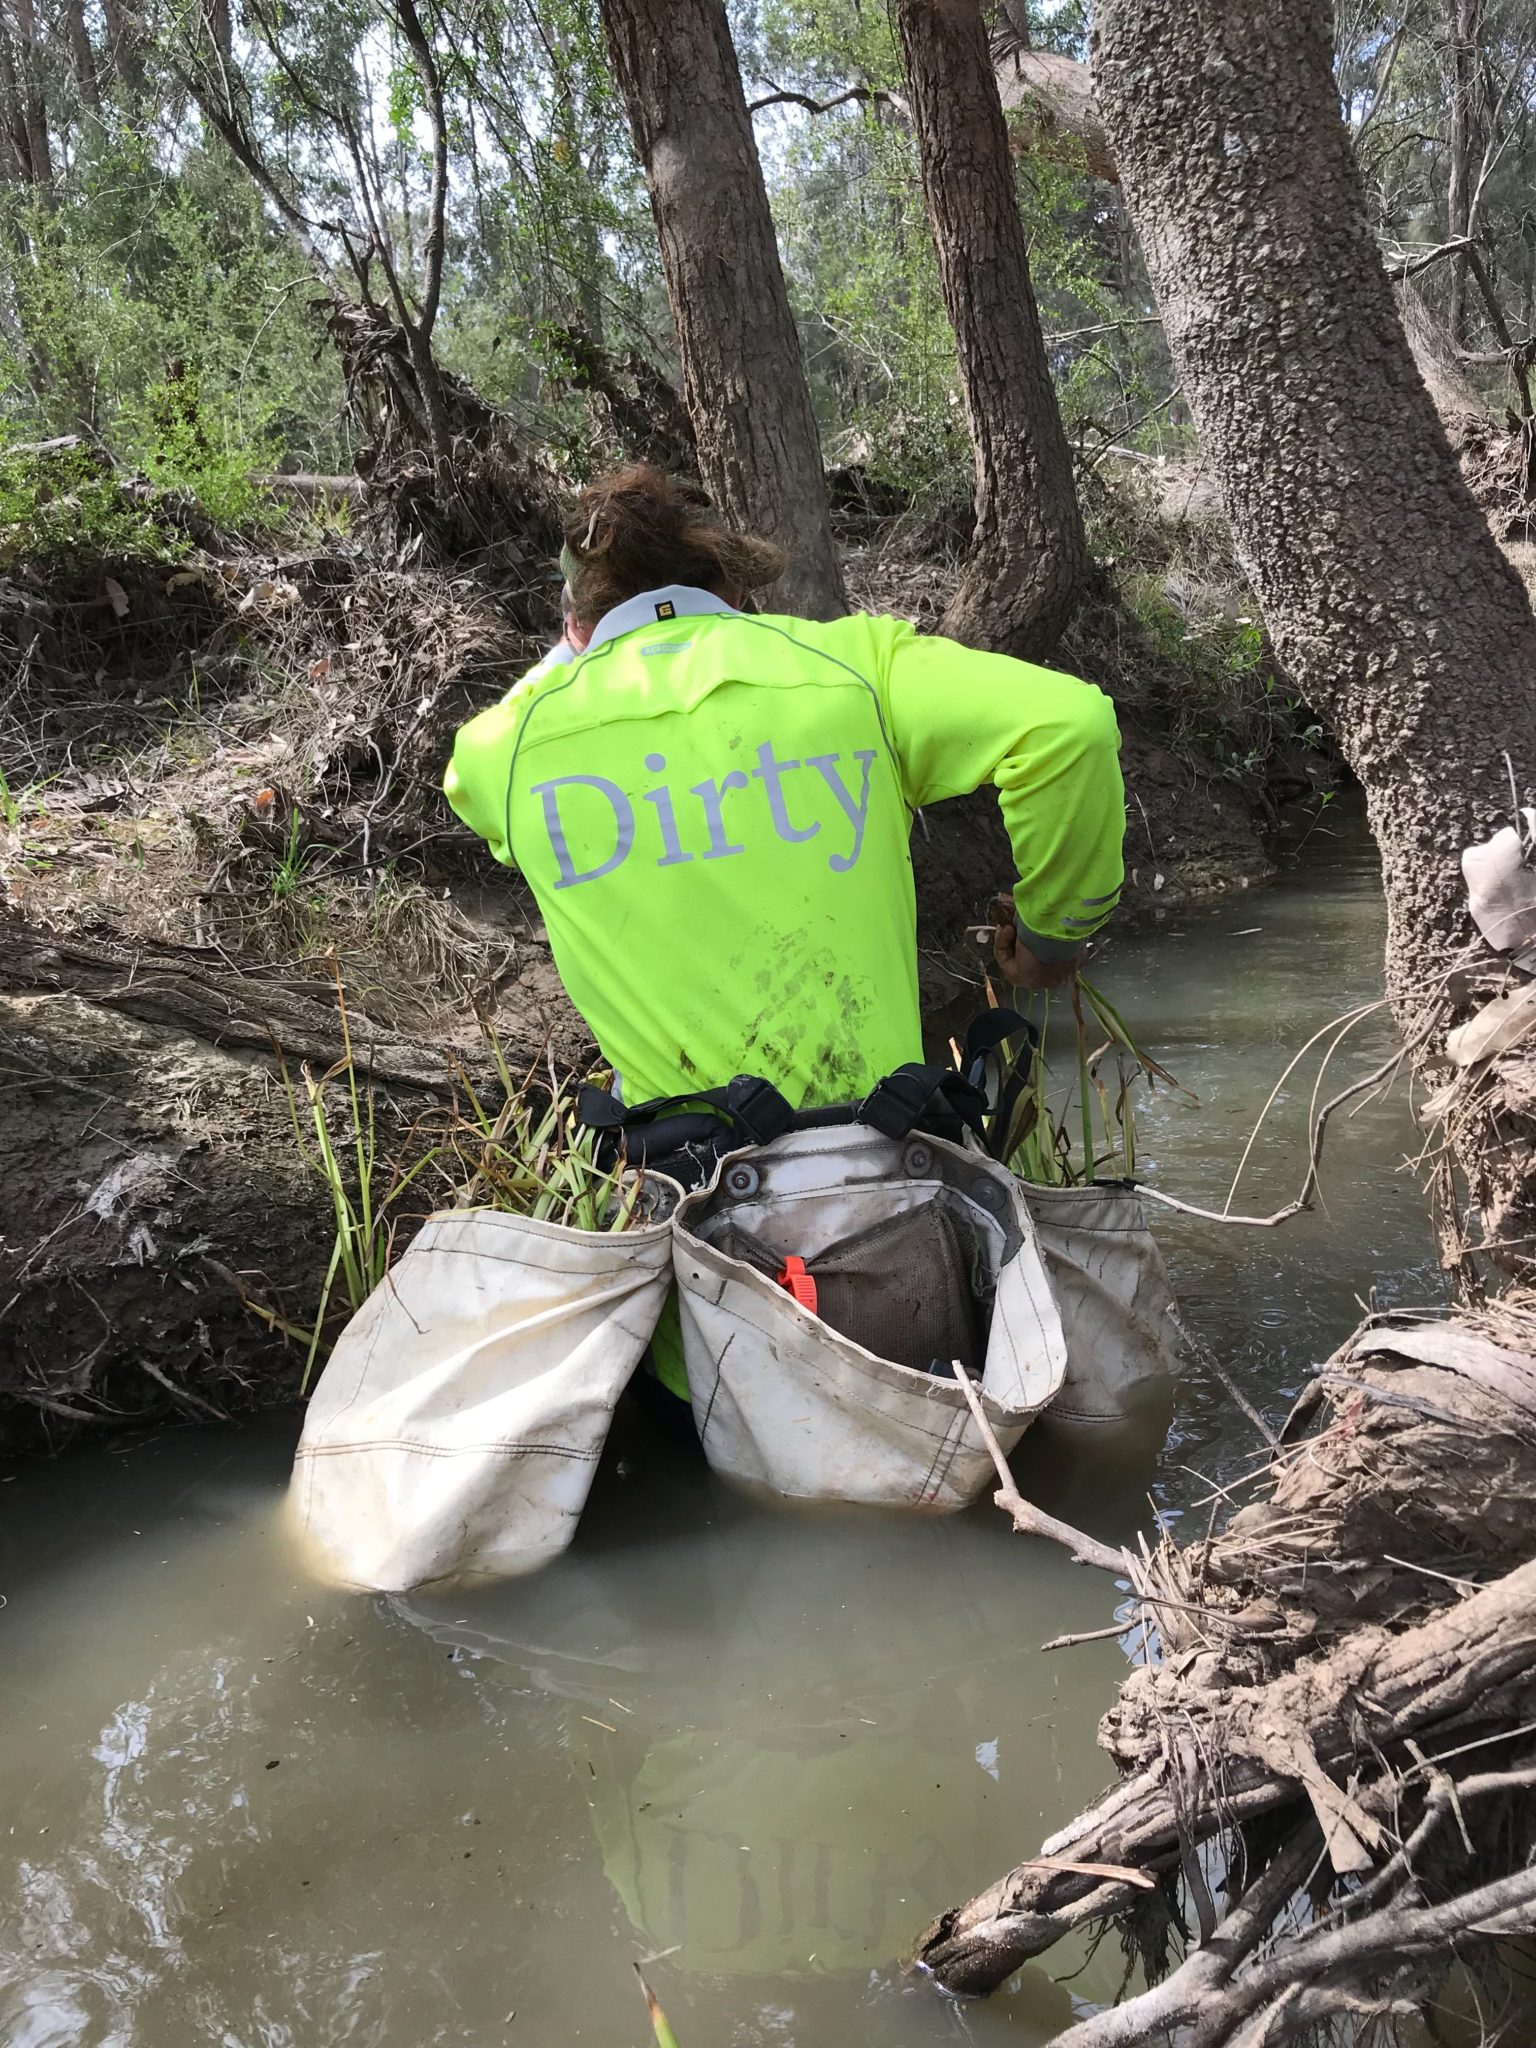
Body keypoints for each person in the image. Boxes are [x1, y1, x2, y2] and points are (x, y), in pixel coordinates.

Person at [445, 464, 1125, 1116]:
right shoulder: (857, 666)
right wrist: (1050, 941)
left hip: (686, 1175)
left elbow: (488, 743)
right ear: (735, 591)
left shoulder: (502, 751)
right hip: (880, 1151)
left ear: (576, 623)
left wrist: (572, 647)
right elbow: (1072, 727)